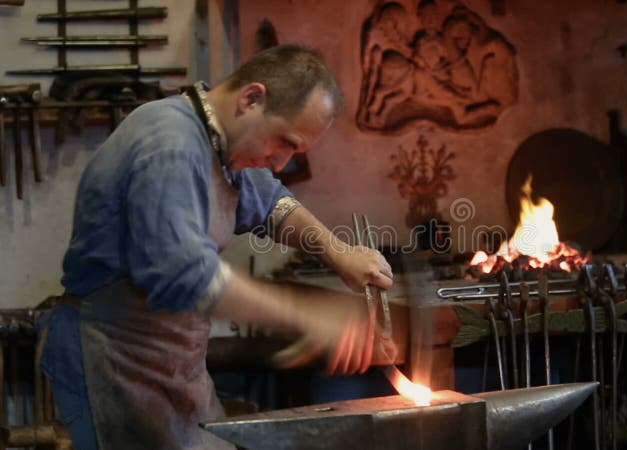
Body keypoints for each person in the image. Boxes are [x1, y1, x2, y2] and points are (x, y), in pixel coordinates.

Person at [38, 44, 394, 450]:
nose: (281, 162)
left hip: (172, 363)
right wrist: (307, 317)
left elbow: (272, 205)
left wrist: (338, 252)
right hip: (112, 361)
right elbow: (187, 277)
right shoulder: (169, 145)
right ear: (251, 99)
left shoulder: (221, 142)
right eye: (285, 142)